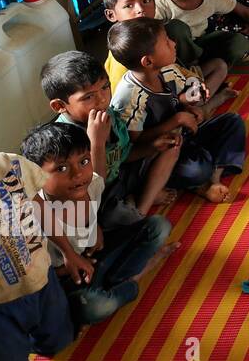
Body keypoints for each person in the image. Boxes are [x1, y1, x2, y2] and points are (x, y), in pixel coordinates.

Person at [23, 122, 176, 330]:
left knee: (159, 226)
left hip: (95, 255)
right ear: (35, 175)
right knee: (93, 307)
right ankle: (134, 279)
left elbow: (99, 178)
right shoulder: (35, 217)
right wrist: (67, 266)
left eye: (84, 161)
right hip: (71, 279)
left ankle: (117, 278)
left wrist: (95, 229)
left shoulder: (90, 185)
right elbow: (34, 276)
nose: (78, 174)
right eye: (61, 168)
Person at [108, 18, 247, 210]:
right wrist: (176, 120)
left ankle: (213, 177)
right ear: (148, 61)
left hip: (183, 134)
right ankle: (199, 180)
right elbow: (135, 142)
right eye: (166, 41)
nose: (174, 43)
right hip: (158, 152)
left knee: (233, 122)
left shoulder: (168, 70)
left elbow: (178, 99)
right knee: (197, 169)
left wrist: (190, 106)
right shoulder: (129, 97)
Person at [41, 51, 181, 228]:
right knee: (114, 216)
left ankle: (140, 206)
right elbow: (91, 192)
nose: (102, 100)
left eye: (105, 87)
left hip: (119, 176)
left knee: (171, 148)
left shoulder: (110, 116)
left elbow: (123, 154)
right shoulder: (63, 142)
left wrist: (152, 147)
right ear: (60, 106)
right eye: (89, 97)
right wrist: (97, 143)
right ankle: (140, 207)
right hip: (99, 197)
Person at [0, 151, 74, 361]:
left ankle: (24, 339)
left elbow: (40, 208)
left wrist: (69, 253)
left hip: (41, 280)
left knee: (59, 342)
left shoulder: (10, 165)